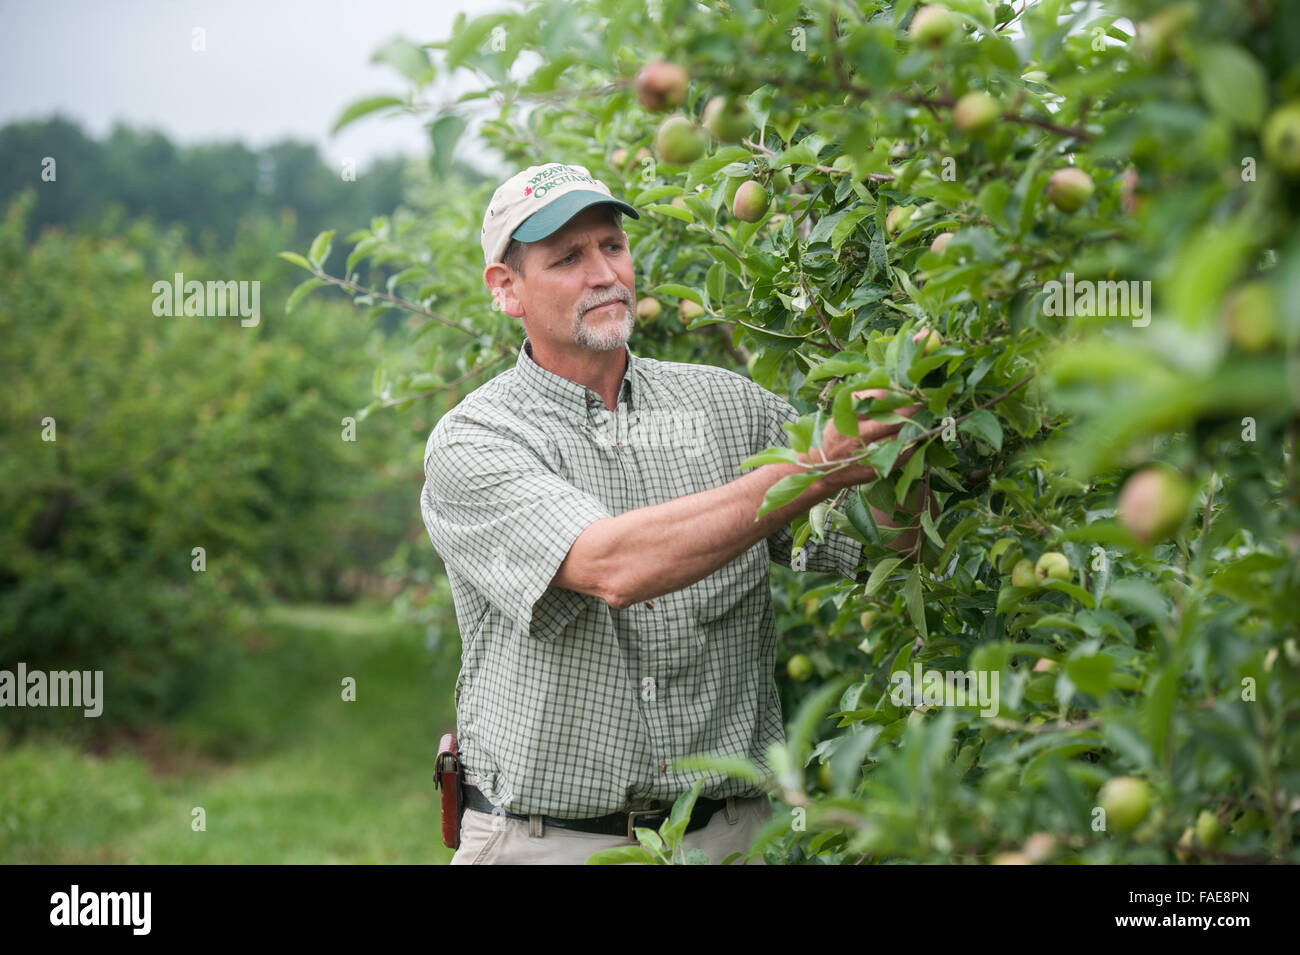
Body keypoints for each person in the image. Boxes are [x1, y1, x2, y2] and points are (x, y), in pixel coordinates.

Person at [419, 162, 922, 864]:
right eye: (568, 257)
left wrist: (912, 436)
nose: (604, 274)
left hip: (728, 837)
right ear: (507, 289)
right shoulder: (476, 441)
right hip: (548, 843)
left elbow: (883, 542)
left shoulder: (729, 407)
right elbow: (612, 565)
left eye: (612, 246)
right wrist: (816, 463)